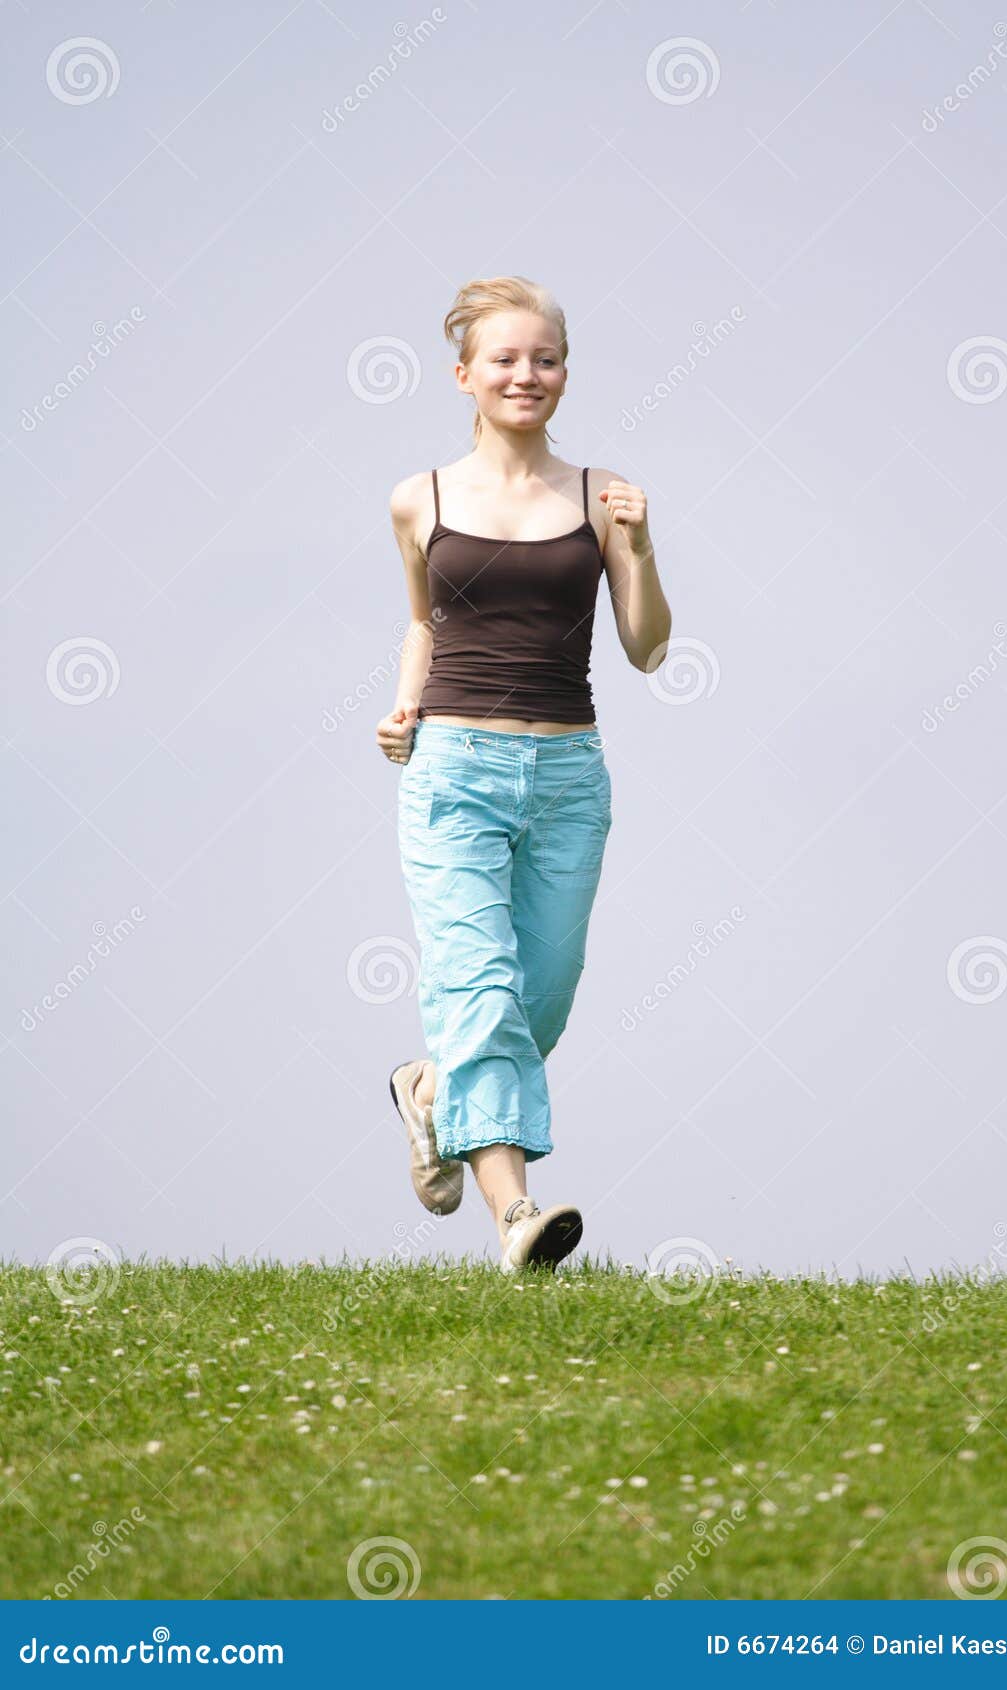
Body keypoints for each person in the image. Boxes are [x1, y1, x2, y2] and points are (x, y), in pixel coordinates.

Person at [377, 275, 672, 1273]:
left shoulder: (600, 495)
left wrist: (640, 546)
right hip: (452, 767)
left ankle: (429, 1088)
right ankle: (516, 1217)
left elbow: (646, 648)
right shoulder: (416, 498)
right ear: (463, 375)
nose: (524, 374)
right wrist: (402, 706)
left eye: (543, 358)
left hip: (566, 776)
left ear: (564, 373)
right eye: (503, 359)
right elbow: (425, 624)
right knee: (481, 983)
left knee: (542, 992)